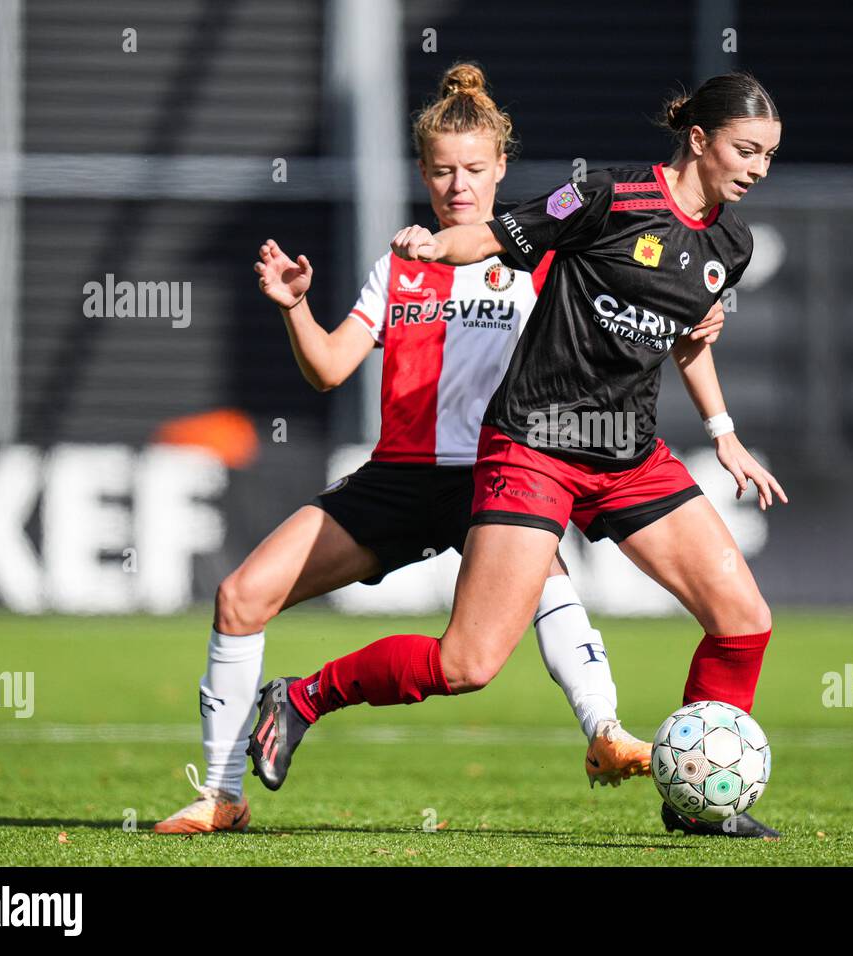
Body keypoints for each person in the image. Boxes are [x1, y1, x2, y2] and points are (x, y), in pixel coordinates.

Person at [153, 63, 727, 834]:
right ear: (423, 173)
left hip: (499, 472)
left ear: (500, 170)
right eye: (443, 171)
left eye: (474, 170)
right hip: (395, 478)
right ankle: (223, 795)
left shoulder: (548, 260)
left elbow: (637, 301)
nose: (459, 186)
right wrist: (295, 309)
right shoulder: (397, 265)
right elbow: (327, 369)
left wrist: (693, 322)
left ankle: (605, 732)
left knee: (545, 588)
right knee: (240, 597)